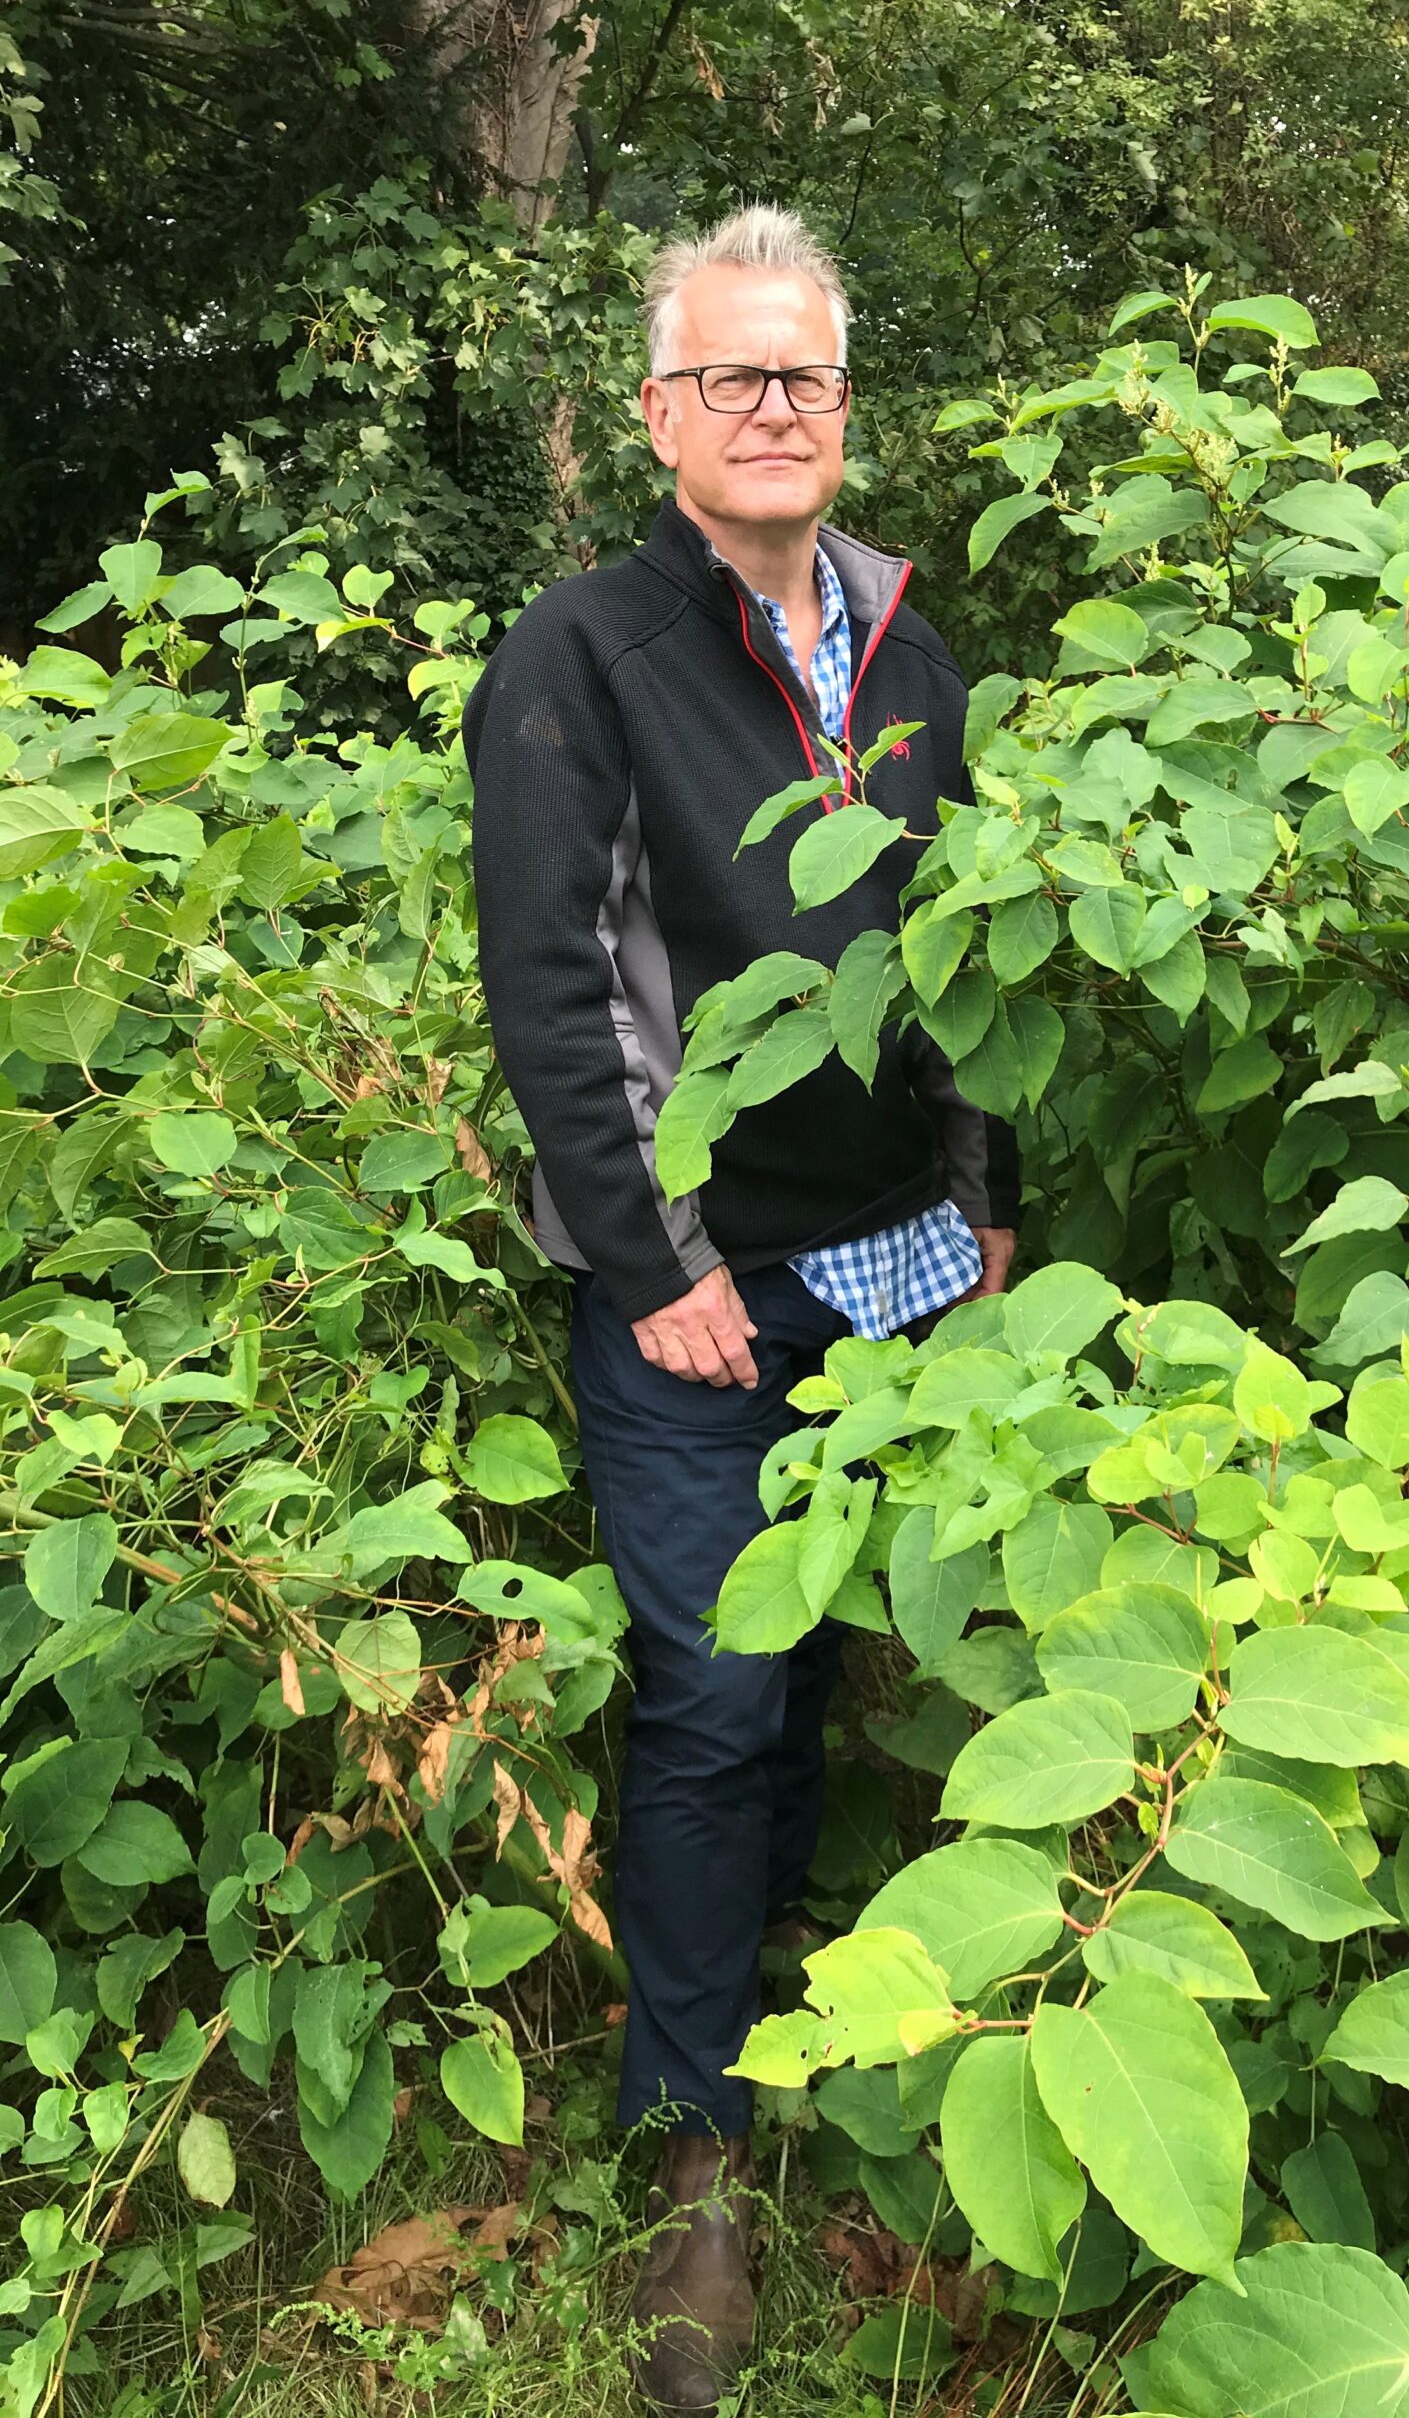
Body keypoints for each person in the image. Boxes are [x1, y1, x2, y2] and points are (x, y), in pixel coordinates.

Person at [462, 203, 1019, 2411]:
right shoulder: (580, 656)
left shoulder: (912, 644)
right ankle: (690, 2149)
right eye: (730, 377)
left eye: (803, 376)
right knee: (710, 1686)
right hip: (699, 1278)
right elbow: (554, 990)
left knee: (842, 1656)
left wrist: (983, 1190)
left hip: (900, 1250)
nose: (771, 409)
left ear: (843, 406)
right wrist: (653, 1259)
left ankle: (794, 2003)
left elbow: (970, 943)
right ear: (658, 411)